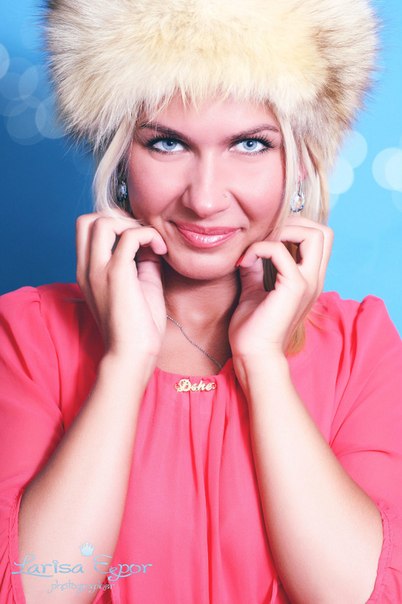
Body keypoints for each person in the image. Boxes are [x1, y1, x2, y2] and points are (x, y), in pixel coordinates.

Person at [1, 0, 401, 602]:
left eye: (250, 145)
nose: (205, 198)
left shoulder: (360, 347)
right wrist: (125, 363)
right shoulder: (27, 335)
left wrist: (263, 363)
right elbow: (38, 591)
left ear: (301, 163)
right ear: (121, 159)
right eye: (167, 144)